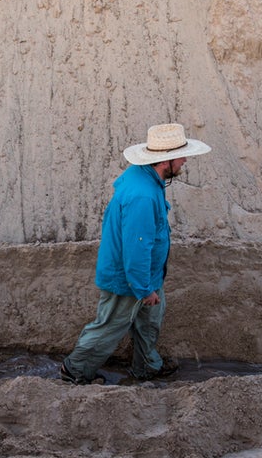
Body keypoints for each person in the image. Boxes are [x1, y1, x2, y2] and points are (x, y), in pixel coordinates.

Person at [60, 123, 211, 385]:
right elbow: (136, 248)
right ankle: (75, 370)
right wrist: (143, 289)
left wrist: (150, 284)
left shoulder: (145, 178)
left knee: (149, 320)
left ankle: (147, 367)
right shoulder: (143, 195)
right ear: (164, 161)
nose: (185, 161)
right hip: (128, 279)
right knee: (109, 326)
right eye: (181, 156)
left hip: (146, 275)